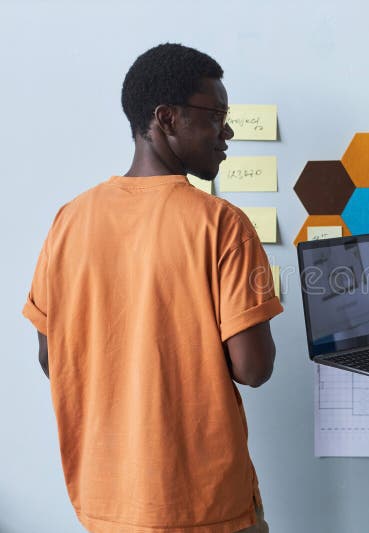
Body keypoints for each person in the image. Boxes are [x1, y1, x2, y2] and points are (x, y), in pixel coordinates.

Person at [22, 43, 281, 533]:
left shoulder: (70, 221)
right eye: (216, 116)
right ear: (166, 118)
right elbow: (254, 368)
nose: (226, 133)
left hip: (105, 502)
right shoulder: (222, 223)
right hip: (206, 507)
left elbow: (50, 358)